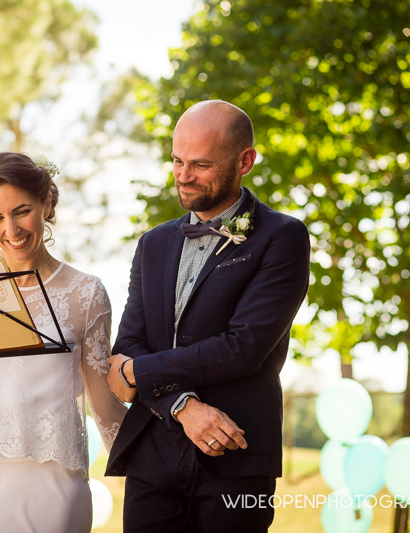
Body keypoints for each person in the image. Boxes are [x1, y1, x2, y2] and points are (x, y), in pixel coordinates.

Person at [105, 100, 311, 532]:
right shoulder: (153, 244)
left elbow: (244, 348)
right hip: (153, 455)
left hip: (236, 454)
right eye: (177, 161)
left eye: (200, 164)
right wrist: (182, 406)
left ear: (245, 161)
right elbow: (129, 343)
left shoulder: (283, 237)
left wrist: (138, 372)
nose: (183, 175)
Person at [0, 152, 127, 533]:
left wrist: (167, 460)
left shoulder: (86, 293)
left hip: (57, 494)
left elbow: (105, 405)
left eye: (21, 211)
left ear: (47, 203)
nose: (10, 230)